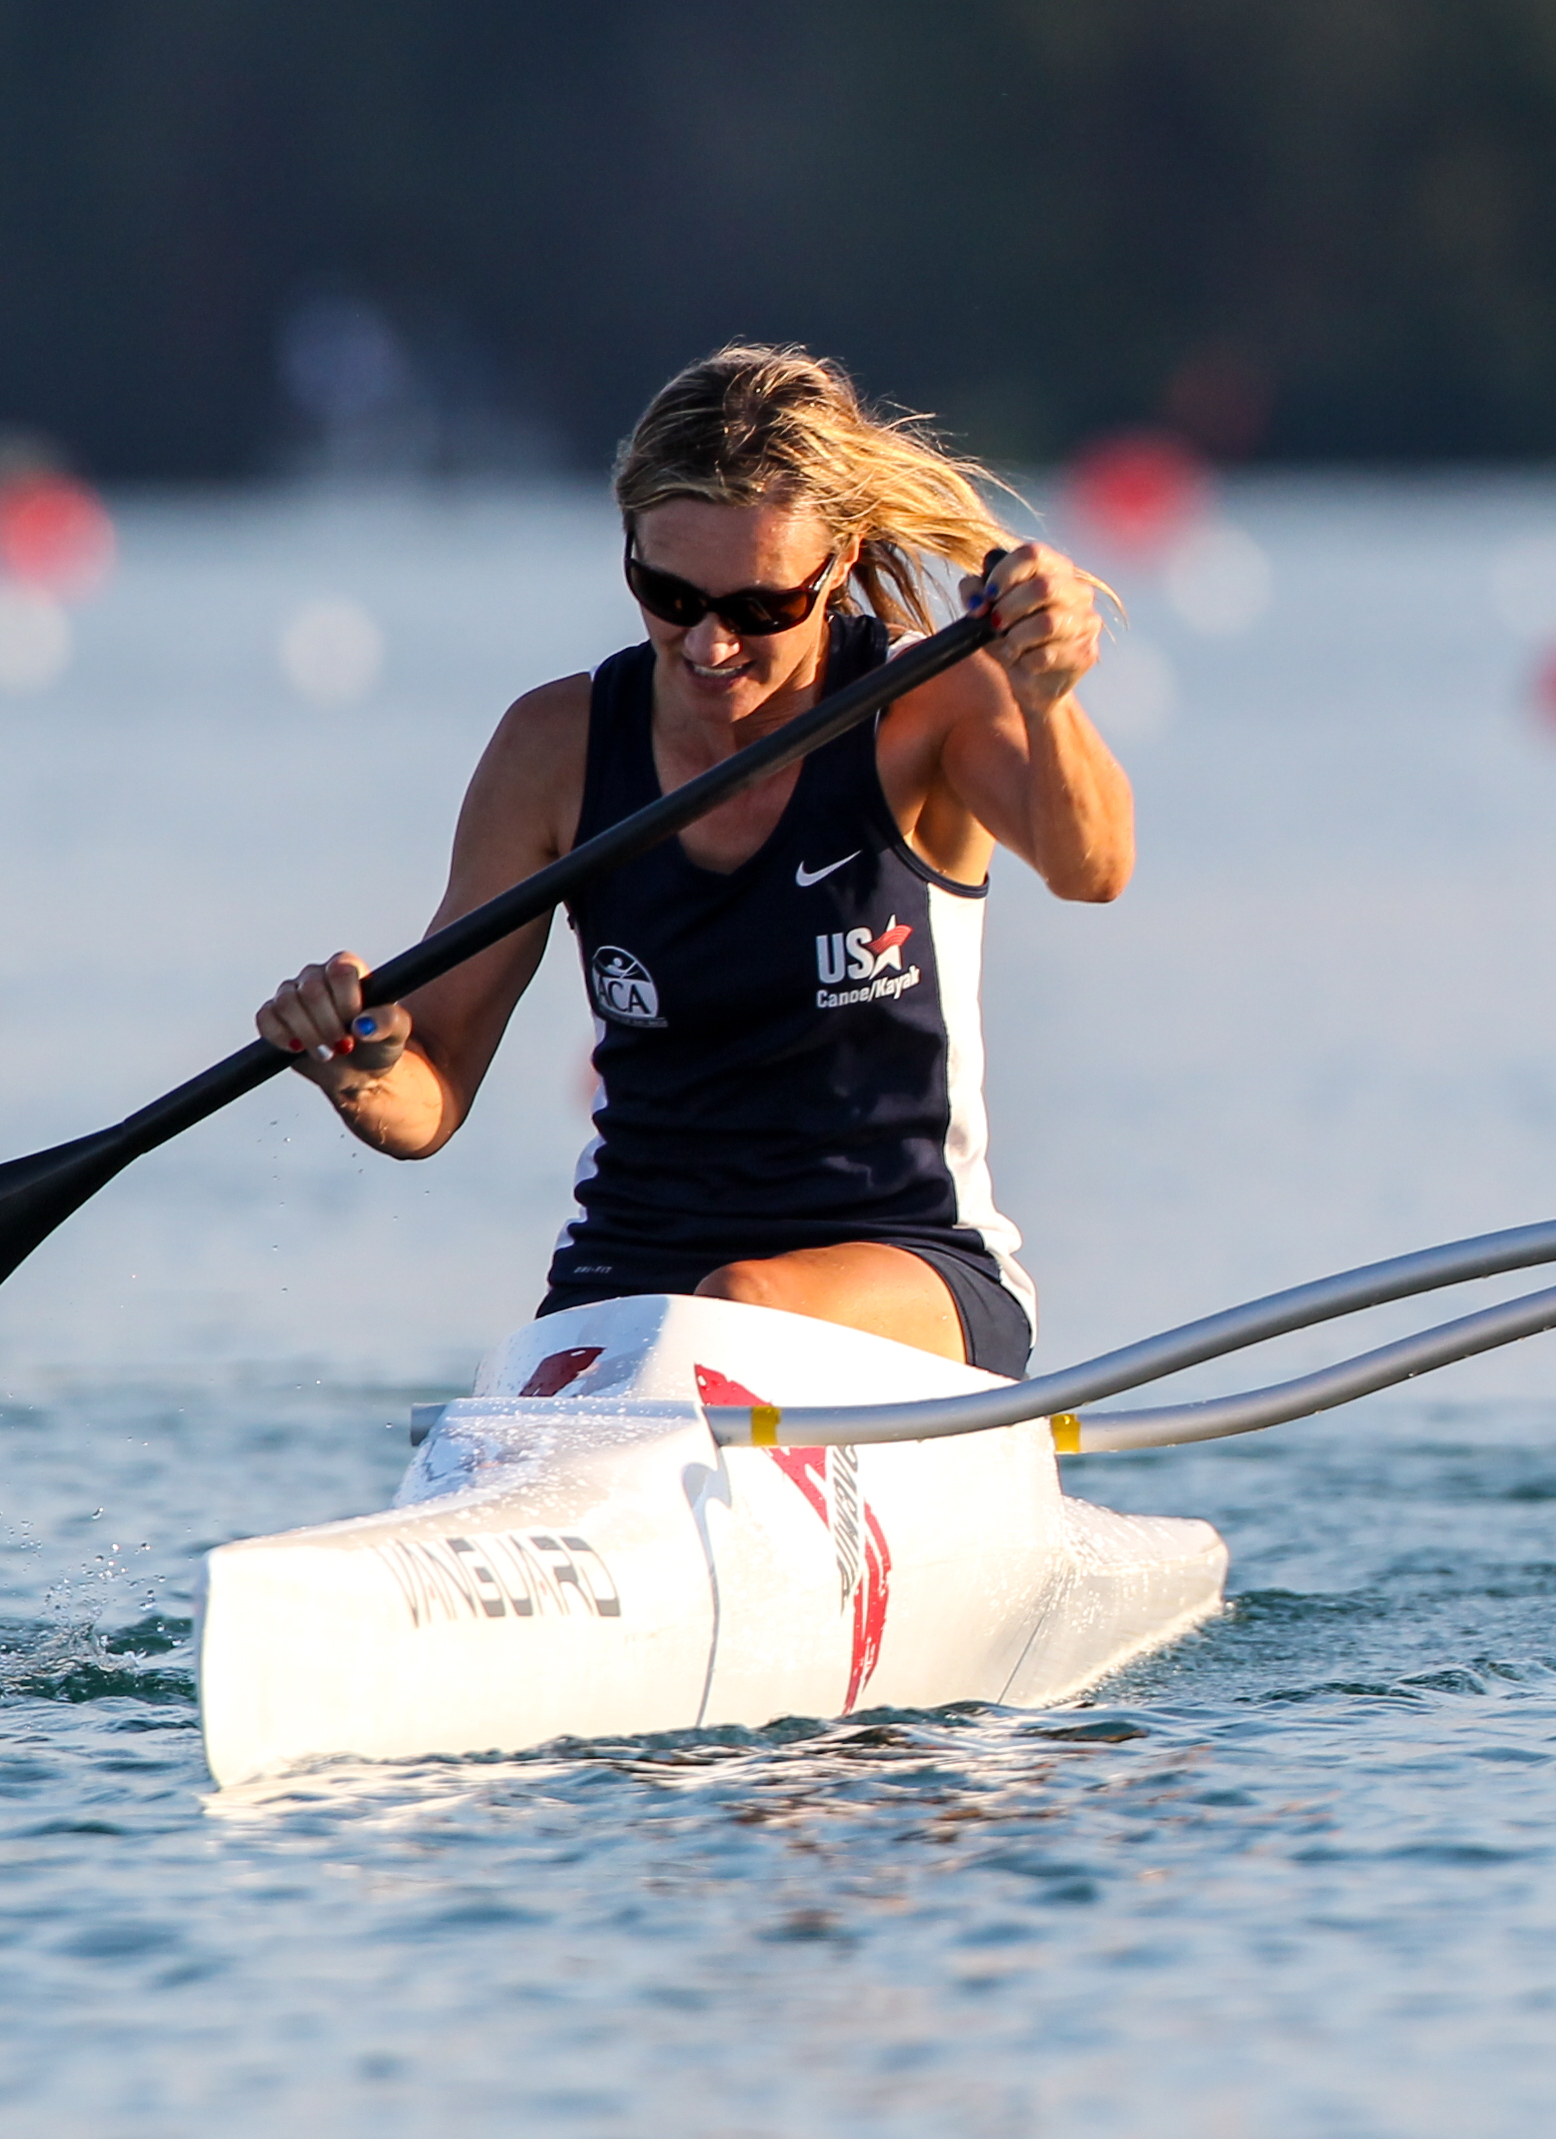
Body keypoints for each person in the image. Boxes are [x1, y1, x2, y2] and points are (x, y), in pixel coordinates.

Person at [254, 344, 1130, 1378]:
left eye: (759, 609)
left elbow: (1090, 868)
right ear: (628, 547)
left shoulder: (927, 710)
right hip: (628, 1271)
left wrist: (1045, 697)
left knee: (739, 1304)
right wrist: (356, 1067)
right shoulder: (553, 749)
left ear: (837, 561)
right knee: (567, 1384)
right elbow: (429, 1093)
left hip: (909, 1266)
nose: (710, 647)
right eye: (669, 595)